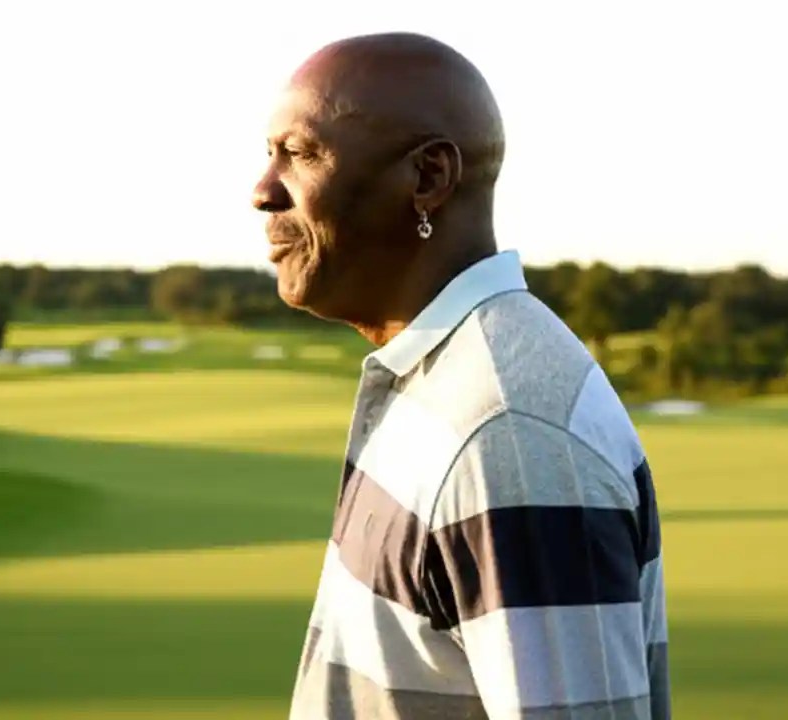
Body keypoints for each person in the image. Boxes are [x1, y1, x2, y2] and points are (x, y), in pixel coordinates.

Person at [252, 31, 670, 720]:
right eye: (269, 155)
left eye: (299, 153)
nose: (263, 192)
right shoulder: (442, 379)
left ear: (428, 178)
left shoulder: (509, 431)